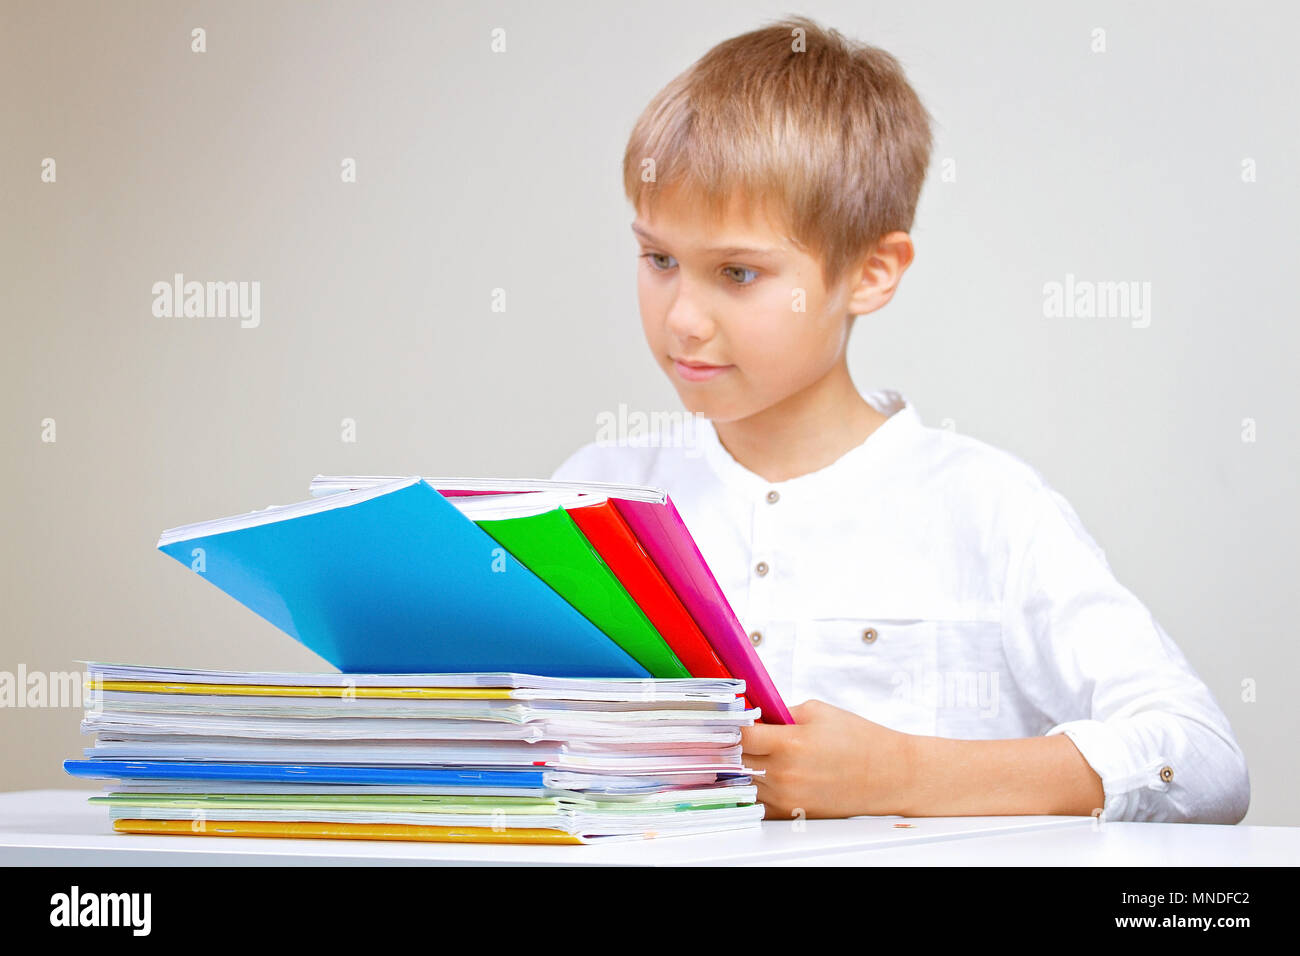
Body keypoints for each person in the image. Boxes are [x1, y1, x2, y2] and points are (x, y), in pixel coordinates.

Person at [551, 16, 1248, 824]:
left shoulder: (986, 507)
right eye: (659, 260)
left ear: (873, 273)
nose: (682, 319)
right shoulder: (594, 495)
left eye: (737, 272)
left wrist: (909, 776)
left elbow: (1200, 760)